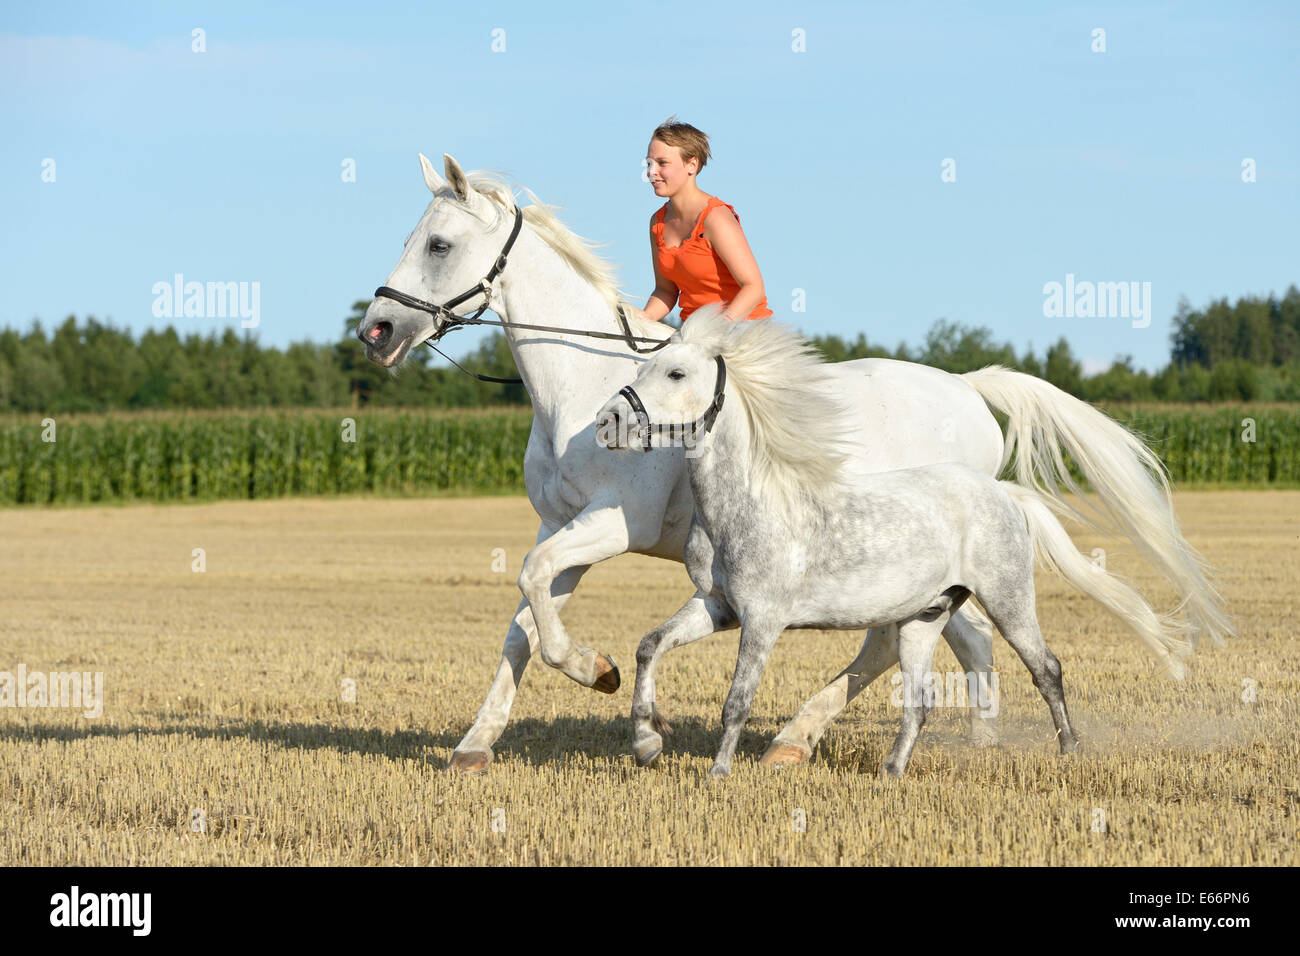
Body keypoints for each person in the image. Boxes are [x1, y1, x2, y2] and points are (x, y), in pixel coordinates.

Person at [635, 117, 773, 323]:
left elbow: (753, 288)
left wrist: (714, 331)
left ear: (691, 165)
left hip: (743, 332)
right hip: (694, 338)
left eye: (662, 163)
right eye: (649, 163)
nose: (651, 172)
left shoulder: (715, 218)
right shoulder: (657, 222)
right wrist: (639, 320)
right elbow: (666, 291)